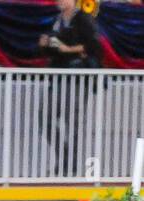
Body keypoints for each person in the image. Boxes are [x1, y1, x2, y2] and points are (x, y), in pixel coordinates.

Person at [38, 0, 102, 176]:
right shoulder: (56, 20)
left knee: (71, 121)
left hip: (76, 75)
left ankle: (70, 165)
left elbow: (93, 45)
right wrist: (45, 45)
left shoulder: (83, 18)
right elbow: (54, 49)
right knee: (45, 119)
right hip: (58, 75)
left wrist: (69, 49)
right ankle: (65, 156)